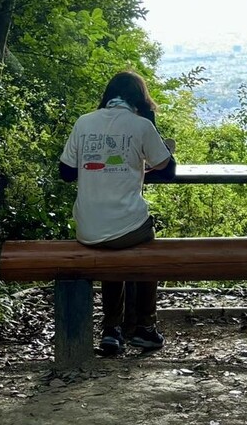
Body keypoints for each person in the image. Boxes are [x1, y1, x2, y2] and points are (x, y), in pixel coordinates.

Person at [58, 71, 175, 355]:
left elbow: (66, 172)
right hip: (127, 228)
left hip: (88, 229)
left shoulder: (84, 123)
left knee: (112, 246)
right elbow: (168, 170)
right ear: (140, 100)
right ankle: (145, 328)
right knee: (145, 247)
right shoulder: (141, 125)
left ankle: (111, 330)